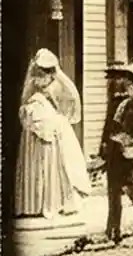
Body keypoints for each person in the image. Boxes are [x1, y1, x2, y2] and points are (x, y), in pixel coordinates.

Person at [16, 49, 92, 219]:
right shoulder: (33, 86)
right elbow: (24, 102)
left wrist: (59, 116)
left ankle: (57, 201)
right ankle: (34, 203)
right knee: (38, 163)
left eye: (46, 71)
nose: (41, 76)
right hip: (35, 128)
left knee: (62, 163)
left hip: (53, 126)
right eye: (39, 71)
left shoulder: (58, 85)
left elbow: (71, 98)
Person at [101, 61, 133, 244]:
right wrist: (104, 146)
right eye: (112, 77)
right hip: (115, 151)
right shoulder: (114, 99)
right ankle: (113, 231)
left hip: (132, 150)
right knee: (113, 192)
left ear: (128, 78)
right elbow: (108, 125)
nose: (114, 81)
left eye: (118, 77)